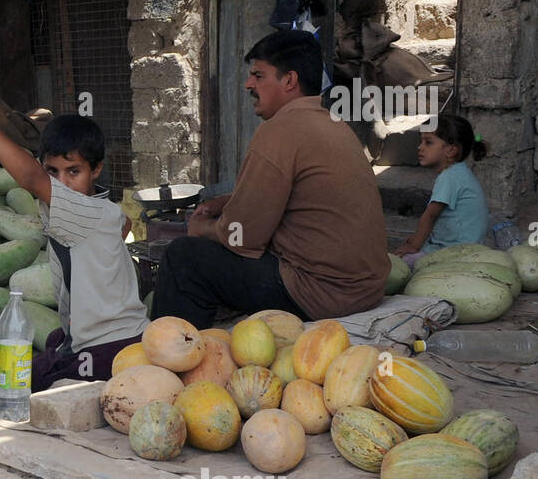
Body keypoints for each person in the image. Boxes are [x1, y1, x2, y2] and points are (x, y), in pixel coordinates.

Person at [155, 30, 389, 328]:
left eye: (258, 75)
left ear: (289, 81)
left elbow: (241, 237)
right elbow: (299, 197)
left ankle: (173, 357)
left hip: (323, 294)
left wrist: (201, 228)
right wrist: (225, 203)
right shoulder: (335, 125)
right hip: (366, 290)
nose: (248, 84)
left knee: (184, 258)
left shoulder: (278, 130)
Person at [0, 73, 148, 390]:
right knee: (50, 346)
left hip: (107, 349)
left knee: (15, 387)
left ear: (96, 170)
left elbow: (29, 177)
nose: (61, 183)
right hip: (127, 336)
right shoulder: (103, 209)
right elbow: (123, 223)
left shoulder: (77, 210)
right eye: (52, 172)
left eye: (74, 171)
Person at [393, 114, 489, 265]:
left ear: (450, 151)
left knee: (402, 261)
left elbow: (431, 215)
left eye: (428, 143)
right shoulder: (458, 173)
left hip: (456, 252)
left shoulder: (449, 178)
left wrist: (413, 245)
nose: (420, 147)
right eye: (421, 142)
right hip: (467, 247)